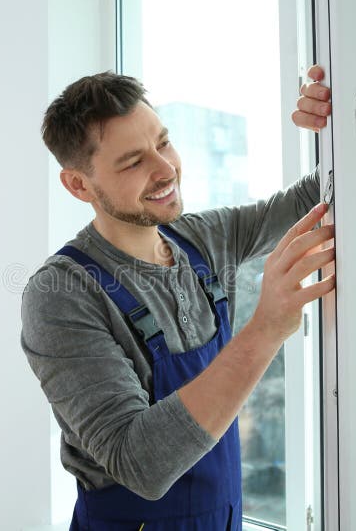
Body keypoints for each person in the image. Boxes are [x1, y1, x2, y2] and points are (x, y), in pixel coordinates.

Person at [21, 66, 333, 530]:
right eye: (133, 162)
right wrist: (267, 328)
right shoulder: (62, 296)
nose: (166, 169)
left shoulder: (202, 239)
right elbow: (140, 463)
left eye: (163, 142)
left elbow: (319, 197)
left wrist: (331, 120)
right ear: (79, 185)